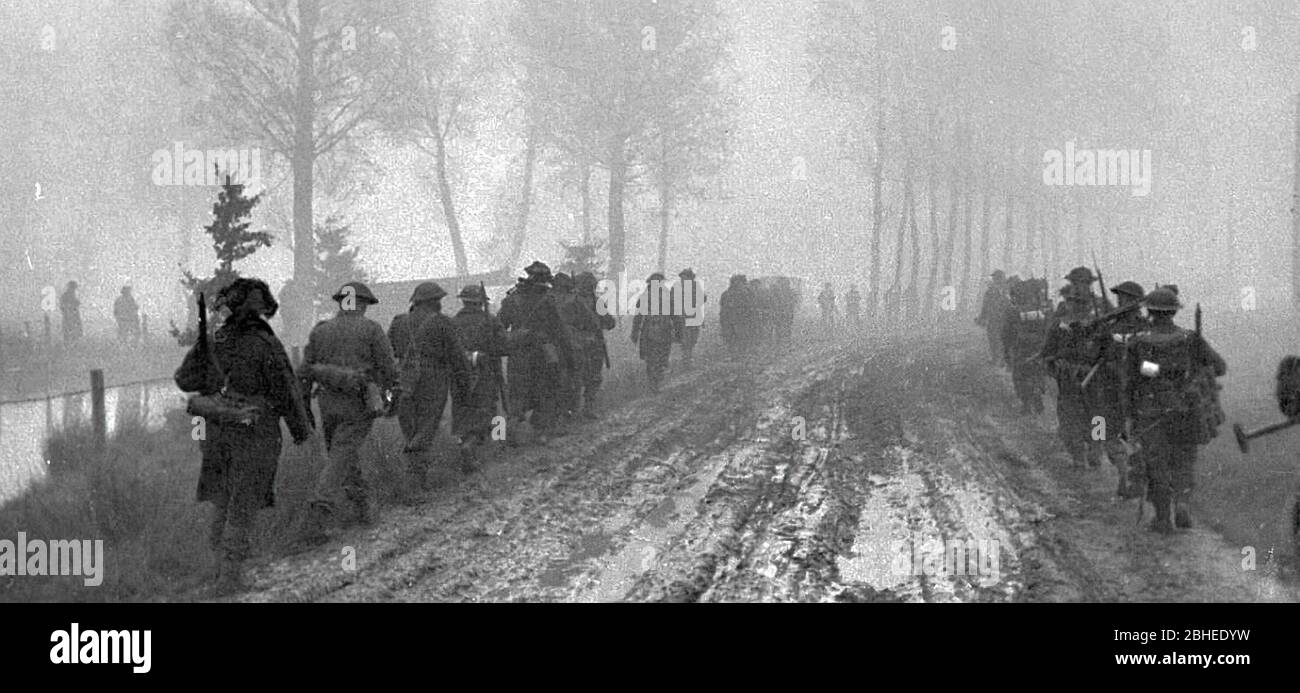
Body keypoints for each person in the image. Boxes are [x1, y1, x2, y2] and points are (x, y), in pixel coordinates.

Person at [174, 277, 312, 595]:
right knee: (244, 502)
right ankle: (229, 578)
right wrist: (301, 431)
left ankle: (218, 571)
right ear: (260, 309)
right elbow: (287, 391)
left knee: (223, 499)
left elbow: (184, 379)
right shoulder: (266, 343)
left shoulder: (215, 340)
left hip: (215, 433)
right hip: (256, 432)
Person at [297, 281, 398, 545]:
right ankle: (317, 515)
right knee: (342, 455)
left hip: (328, 405)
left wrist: (305, 405)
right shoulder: (371, 329)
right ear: (362, 304)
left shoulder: (321, 331)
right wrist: (392, 395)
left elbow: (305, 371)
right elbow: (388, 368)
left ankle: (362, 505)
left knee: (341, 453)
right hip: (358, 404)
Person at [1127, 287, 1226, 534]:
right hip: (1185, 409)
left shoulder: (1138, 342)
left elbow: (1129, 381)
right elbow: (1220, 367)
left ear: (1149, 312)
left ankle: (1162, 518)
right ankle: (1181, 502)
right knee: (1183, 460)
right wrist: (1192, 369)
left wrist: (1130, 415)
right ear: (1173, 312)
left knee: (1156, 464)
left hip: (1150, 412)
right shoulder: (1190, 339)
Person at [399, 282, 469, 484]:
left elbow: (390, 351)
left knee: (411, 426)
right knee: (427, 425)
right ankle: (414, 477)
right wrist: (464, 386)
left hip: (404, 378)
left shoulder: (399, 322)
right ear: (434, 302)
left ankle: (417, 474)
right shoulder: (443, 323)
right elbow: (457, 357)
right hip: (433, 378)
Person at [498, 261, 574, 442]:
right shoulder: (549, 300)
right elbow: (560, 331)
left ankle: (511, 427)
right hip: (544, 354)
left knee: (517, 392)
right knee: (546, 391)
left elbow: (499, 327)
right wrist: (568, 358)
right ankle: (541, 432)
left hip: (518, 355)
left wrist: (513, 339)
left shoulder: (511, 299)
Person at [1089, 280, 1149, 499]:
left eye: (1124, 298)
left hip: (1126, 389)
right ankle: (1125, 470)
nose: (1120, 302)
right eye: (1119, 298)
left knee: (1121, 432)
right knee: (1107, 427)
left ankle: (1129, 473)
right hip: (1121, 389)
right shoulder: (1113, 327)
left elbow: (1155, 365)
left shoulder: (1140, 328)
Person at [1042, 284, 1104, 468]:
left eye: (1081, 303)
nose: (1077, 306)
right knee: (1074, 419)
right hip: (1070, 379)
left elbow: (1110, 353)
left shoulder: (1098, 325)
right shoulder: (1059, 326)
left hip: (1092, 378)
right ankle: (1082, 453)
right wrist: (1056, 366)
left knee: (1093, 417)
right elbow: (1047, 354)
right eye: (1074, 302)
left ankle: (1094, 449)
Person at [451, 285, 508, 471]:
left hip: (459, 375)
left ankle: (467, 448)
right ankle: (481, 446)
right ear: (481, 302)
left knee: (463, 413)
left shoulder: (453, 322)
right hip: (486, 372)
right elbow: (503, 346)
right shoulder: (489, 320)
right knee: (489, 411)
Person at [550, 272, 596, 423]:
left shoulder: (547, 299)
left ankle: (554, 418)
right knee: (575, 378)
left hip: (549, 347)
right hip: (573, 345)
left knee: (553, 381)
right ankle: (572, 413)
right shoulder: (576, 300)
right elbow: (593, 321)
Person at [1000, 277, 1049, 415]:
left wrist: (1006, 352)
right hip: (1039, 347)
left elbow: (1006, 333)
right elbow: (1049, 328)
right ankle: (1038, 393)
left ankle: (1026, 403)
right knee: (1038, 372)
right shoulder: (1042, 309)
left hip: (1020, 348)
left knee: (1019, 375)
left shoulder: (1012, 311)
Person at [574, 272, 616, 419]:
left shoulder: (571, 301)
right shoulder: (596, 302)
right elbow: (610, 323)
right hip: (592, 345)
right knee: (593, 377)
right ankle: (588, 407)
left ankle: (572, 411)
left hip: (574, 345)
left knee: (576, 377)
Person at [631, 272, 676, 392]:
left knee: (652, 358)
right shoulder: (666, 297)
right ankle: (655, 380)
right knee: (659, 357)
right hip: (661, 333)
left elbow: (638, 317)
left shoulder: (646, 296)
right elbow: (675, 316)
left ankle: (653, 381)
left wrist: (635, 333)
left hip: (651, 333)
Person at [671, 269, 706, 368]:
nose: (683, 279)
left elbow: (702, 299)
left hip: (693, 317)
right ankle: (686, 358)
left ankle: (688, 356)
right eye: (682, 277)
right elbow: (671, 300)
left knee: (692, 338)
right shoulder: (677, 286)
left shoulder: (695, 287)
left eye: (685, 277)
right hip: (680, 318)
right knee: (684, 338)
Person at [976, 270, 1010, 364]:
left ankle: (997, 358)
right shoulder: (1007, 290)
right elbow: (986, 307)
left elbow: (985, 307)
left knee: (995, 339)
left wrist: (982, 318)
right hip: (1003, 319)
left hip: (996, 319)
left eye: (995, 278)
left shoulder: (991, 292)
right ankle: (1001, 359)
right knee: (1001, 339)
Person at [719, 274, 757, 355]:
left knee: (733, 340)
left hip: (733, 320)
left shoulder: (726, 293)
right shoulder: (747, 293)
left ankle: (736, 355)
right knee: (740, 339)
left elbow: (723, 308)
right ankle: (739, 356)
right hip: (740, 320)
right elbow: (752, 307)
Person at [59, 280, 82, 345]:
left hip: (73, 316)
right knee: (68, 331)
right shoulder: (65, 296)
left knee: (74, 331)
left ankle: (73, 344)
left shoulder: (73, 295)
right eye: (73, 287)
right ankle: (68, 344)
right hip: (68, 316)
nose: (74, 289)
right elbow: (62, 306)